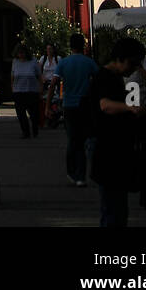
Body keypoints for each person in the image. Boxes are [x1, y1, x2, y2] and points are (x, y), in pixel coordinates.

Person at [90, 37, 146, 228]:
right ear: (120, 58)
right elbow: (105, 105)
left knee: (118, 210)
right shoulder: (104, 77)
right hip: (108, 154)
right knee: (113, 211)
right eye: (132, 63)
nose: (134, 68)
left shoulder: (115, 77)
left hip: (116, 154)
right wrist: (130, 108)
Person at [48, 32, 98, 186]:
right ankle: (81, 175)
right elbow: (98, 80)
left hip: (69, 104)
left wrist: (48, 105)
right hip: (85, 103)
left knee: (73, 138)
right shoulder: (89, 62)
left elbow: (53, 83)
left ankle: (73, 171)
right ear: (83, 46)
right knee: (83, 139)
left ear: (70, 46)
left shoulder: (64, 63)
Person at [11, 44, 42, 139]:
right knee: (21, 114)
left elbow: (39, 76)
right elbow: (12, 76)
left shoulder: (33, 61)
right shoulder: (15, 62)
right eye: (19, 53)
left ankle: (35, 129)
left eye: (23, 53)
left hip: (31, 91)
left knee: (34, 114)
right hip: (18, 91)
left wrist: (40, 89)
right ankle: (25, 132)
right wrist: (12, 89)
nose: (21, 55)